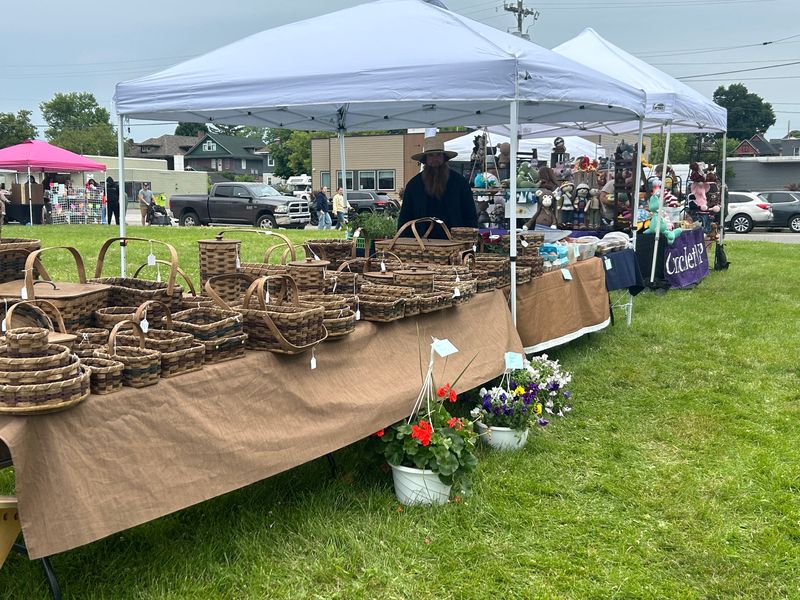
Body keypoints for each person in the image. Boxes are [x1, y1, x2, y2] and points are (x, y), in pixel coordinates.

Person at [397, 137, 477, 236]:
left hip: (454, 239)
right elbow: (405, 216)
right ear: (425, 159)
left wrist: (470, 237)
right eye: (431, 155)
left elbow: (470, 214)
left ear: (444, 157)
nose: (435, 159)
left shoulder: (460, 183)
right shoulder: (414, 185)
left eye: (438, 155)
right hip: (421, 239)